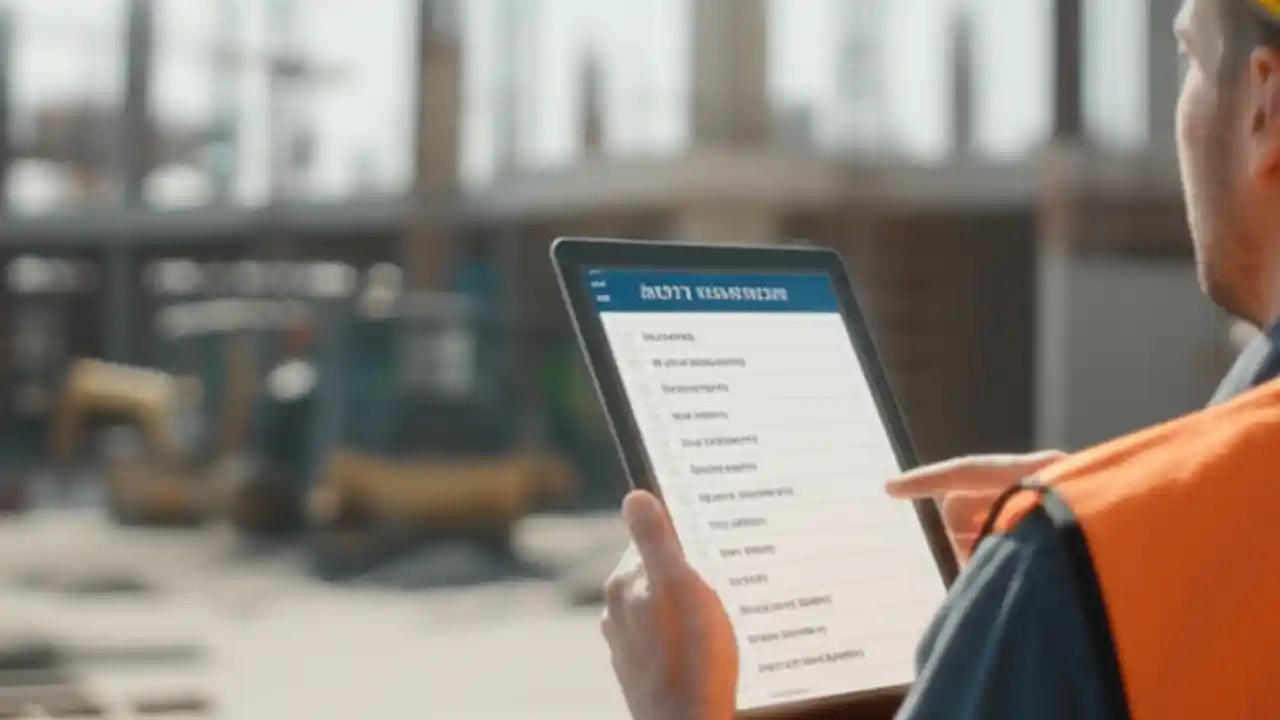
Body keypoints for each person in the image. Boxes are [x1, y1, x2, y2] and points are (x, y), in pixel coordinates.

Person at [601, 1, 1280, 718]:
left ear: (1264, 102)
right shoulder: (1103, 559)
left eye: (1190, 58)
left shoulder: (1071, 579)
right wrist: (1124, 504)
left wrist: (681, 706)